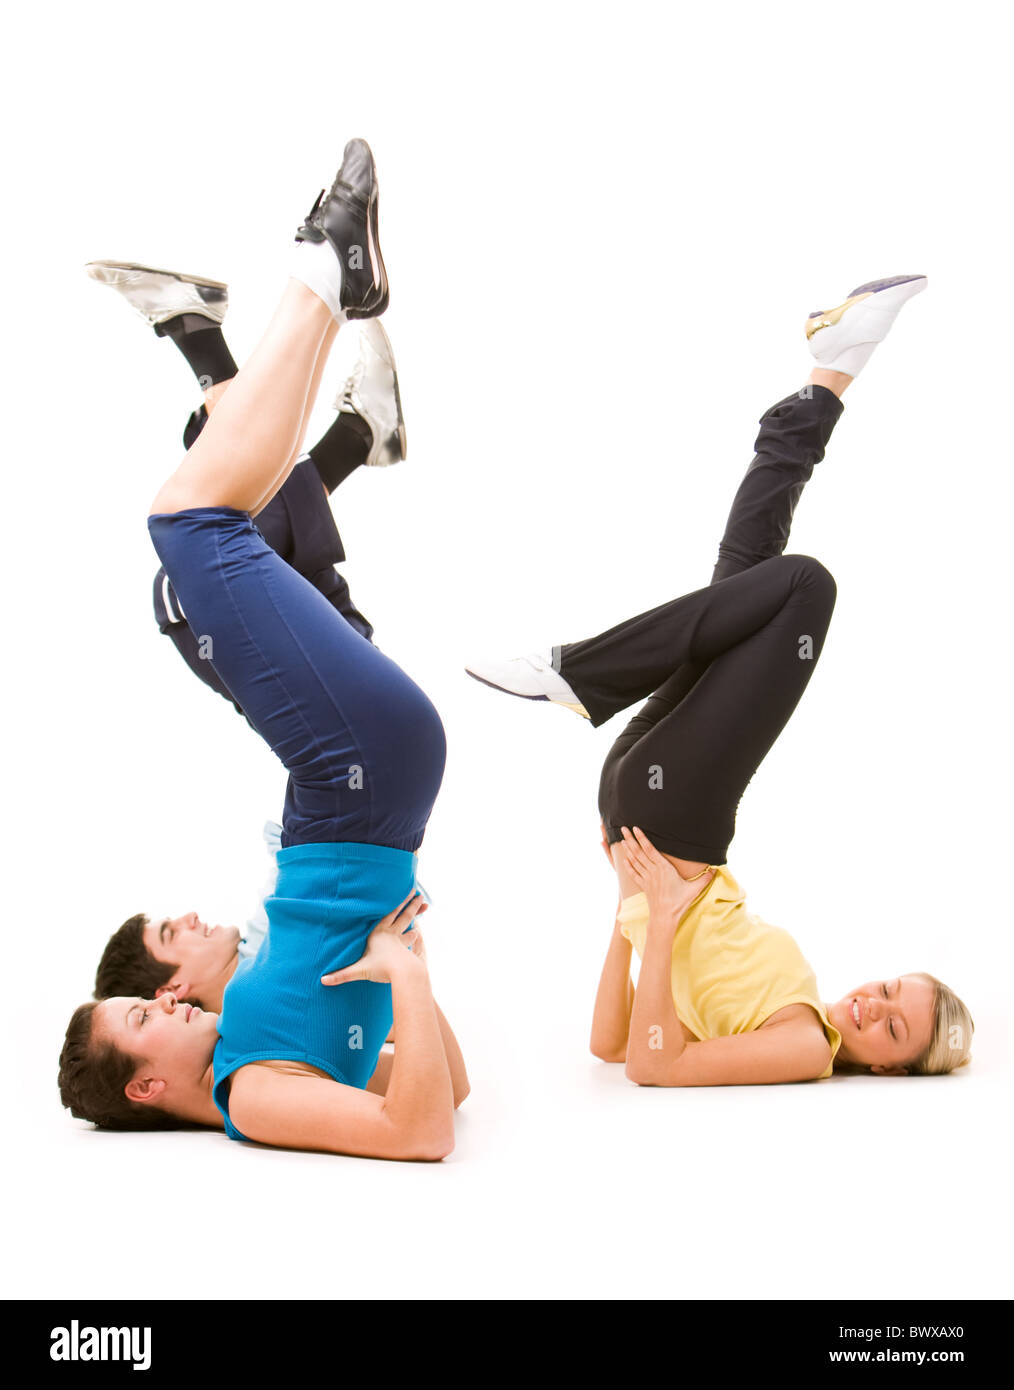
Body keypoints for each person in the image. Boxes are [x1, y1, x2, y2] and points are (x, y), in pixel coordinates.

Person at [59, 139, 466, 1159]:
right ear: (149, 1086)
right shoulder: (252, 1093)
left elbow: (446, 1085)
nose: (173, 1009)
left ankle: (305, 403)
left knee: (206, 557)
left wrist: (399, 962)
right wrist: (403, 966)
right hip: (353, 785)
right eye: (147, 1015)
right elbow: (422, 1133)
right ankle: (324, 278)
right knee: (190, 531)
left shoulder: (261, 1027)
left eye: (150, 1004)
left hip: (354, 787)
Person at [466, 275, 974, 1086]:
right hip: (652, 820)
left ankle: (582, 672)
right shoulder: (804, 1003)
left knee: (806, 588)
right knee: (746, 584)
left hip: (671, 823)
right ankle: (831, 373)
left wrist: (654, 919)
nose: (869, 1007)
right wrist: (632, 911)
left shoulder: (807, 1050)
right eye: (887, 991)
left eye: (891, 1027)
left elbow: (649, 1066)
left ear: (891, 1069)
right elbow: (608, 1043)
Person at [83, 260, 424, 1012]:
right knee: (191, 571)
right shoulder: (264, 1003)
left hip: (341, 722)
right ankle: (224, 352)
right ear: (174, 993)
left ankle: (346, 428)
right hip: (357, 734)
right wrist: (405, 956)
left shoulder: (265, 953)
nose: (194, 918)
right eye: (174, 934)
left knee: (211, 570)